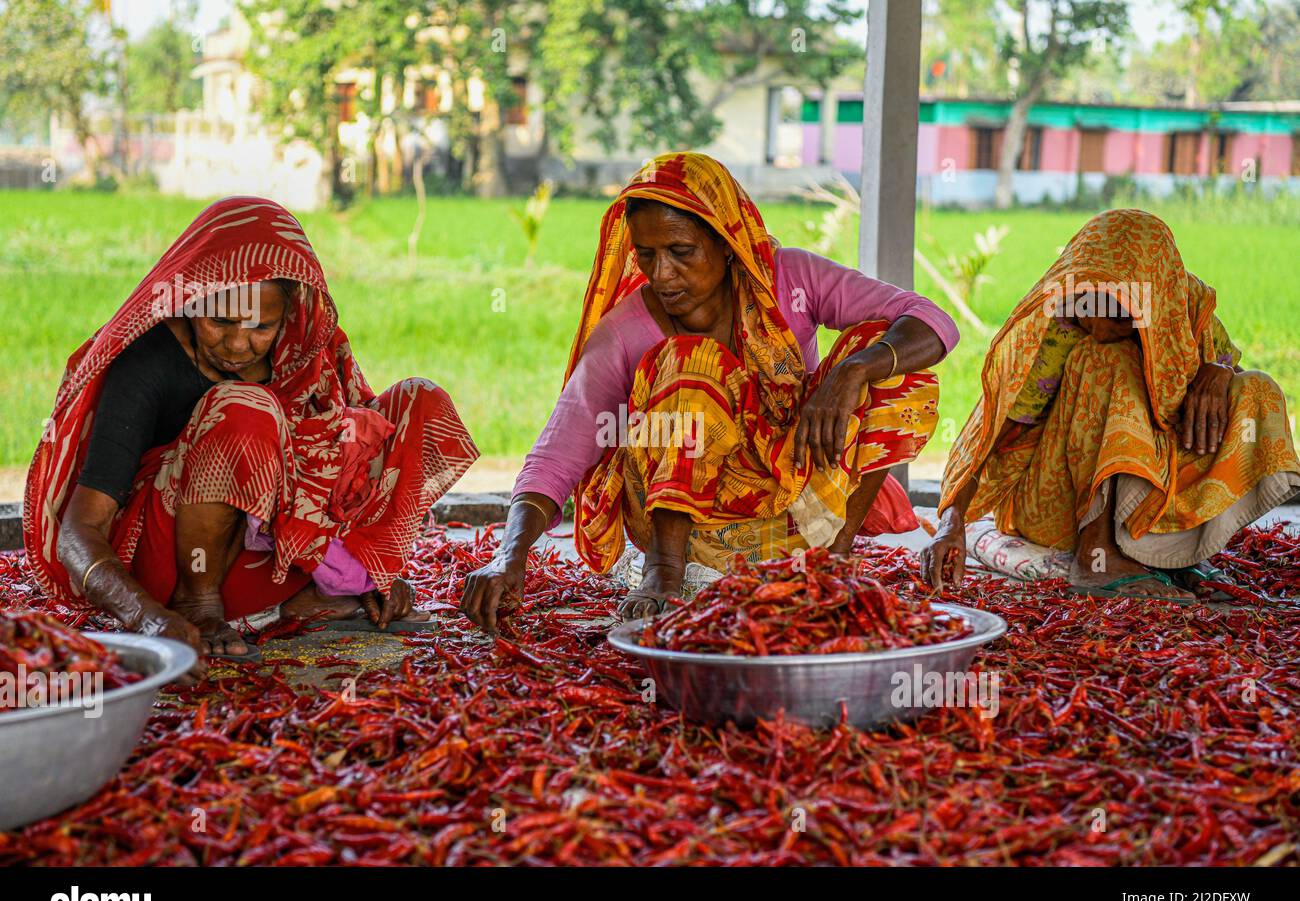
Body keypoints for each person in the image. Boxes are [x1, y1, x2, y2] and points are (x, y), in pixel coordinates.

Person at [461, 152, 957, 629]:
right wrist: (509, 555)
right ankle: (664, 574)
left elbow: (931, 321)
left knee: (883, 354)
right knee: (691, 361)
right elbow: (555, 455)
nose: (662, 275)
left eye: (680, 252)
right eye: (647, 255)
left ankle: (832, 558)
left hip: (792, 507)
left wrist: (851, 372)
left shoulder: (787, 281)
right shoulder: (626, 332)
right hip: (692, 528)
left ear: (725, 241)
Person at [25, 197, 479, 673]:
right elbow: (80, 531)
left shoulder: (305, 352)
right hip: (174, 568)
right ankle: (199, 603)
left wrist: (370, 565)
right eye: (219, 322)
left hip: (279, 563)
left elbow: (351, 463)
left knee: (418, 402)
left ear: (288, 312)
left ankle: (337, 586)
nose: (239, 345)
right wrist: (146, 617)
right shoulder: (148, 364)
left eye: (262, 326)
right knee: (244, 406)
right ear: (190, 299)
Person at [921, 208, 1299, 602]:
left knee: (1256, 388)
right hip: (1055, 502)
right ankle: (1096, 553)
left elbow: (1230, 367)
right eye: (1090, 301)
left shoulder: (1179, 298)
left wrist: (1217, 372)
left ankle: (1166, 551)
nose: (1099, 325)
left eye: (1120, 314)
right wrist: (952, 522)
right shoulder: (1054, 325)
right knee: (1106, 359)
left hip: (1156, 482)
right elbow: (986, 436)